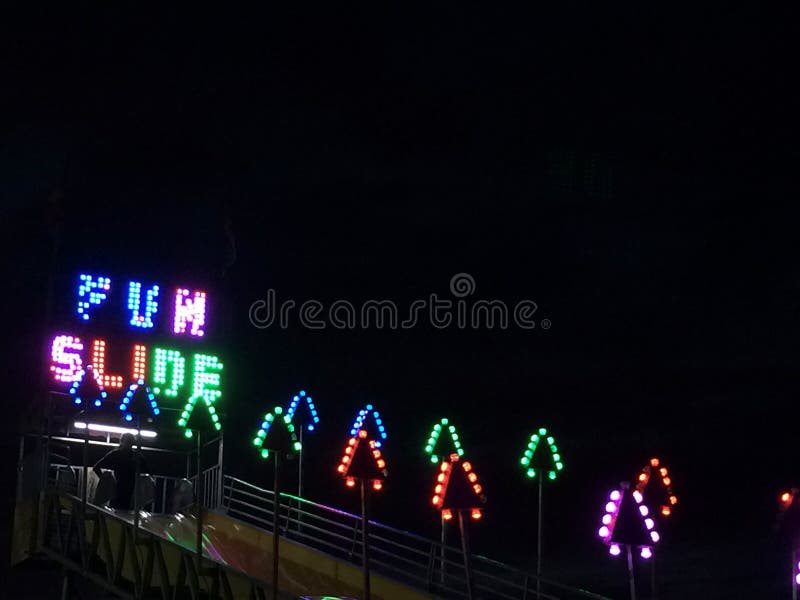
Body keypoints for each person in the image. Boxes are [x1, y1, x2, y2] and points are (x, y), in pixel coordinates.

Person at [93, 433, 146, 510]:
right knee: (120, 511)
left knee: (121, 512)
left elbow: (147, 471)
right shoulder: (119, 454)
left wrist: (106, 481)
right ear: (122, 442)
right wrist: (107, 482)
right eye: (128, 441)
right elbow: (96, 467)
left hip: (129, 490)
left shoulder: (132, 455)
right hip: (121, 488)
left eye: (130, 442)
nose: (129, 444)